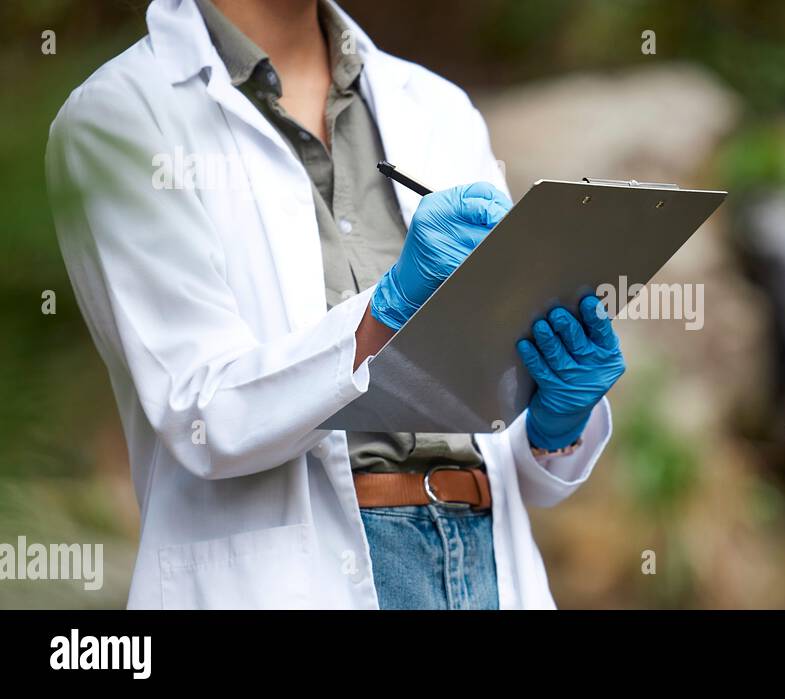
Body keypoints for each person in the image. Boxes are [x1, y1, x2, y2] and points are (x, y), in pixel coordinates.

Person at [45, 0, 625, 609]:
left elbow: (498, 432)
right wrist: (387, 312)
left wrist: (554, 423)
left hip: (485, 561)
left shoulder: (438, 107)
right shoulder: (118, 120)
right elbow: (202, 413)